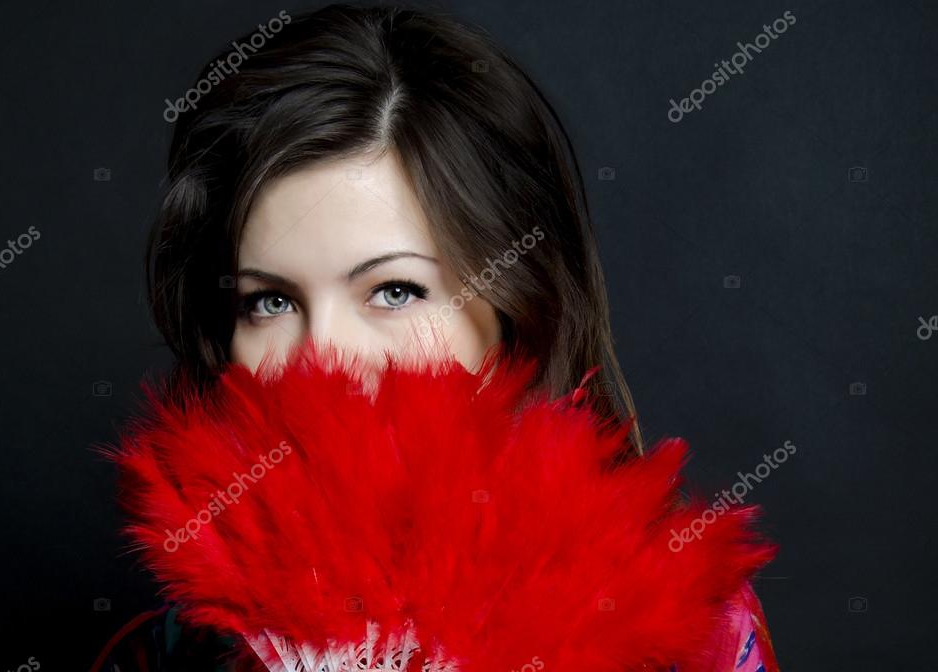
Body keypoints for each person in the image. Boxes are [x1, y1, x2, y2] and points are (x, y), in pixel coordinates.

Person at [92, 3, 779, 670]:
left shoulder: (687, 632)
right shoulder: (172, 651)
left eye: (394, 291)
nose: (318, 363)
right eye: (269, 301)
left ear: (514, 308)